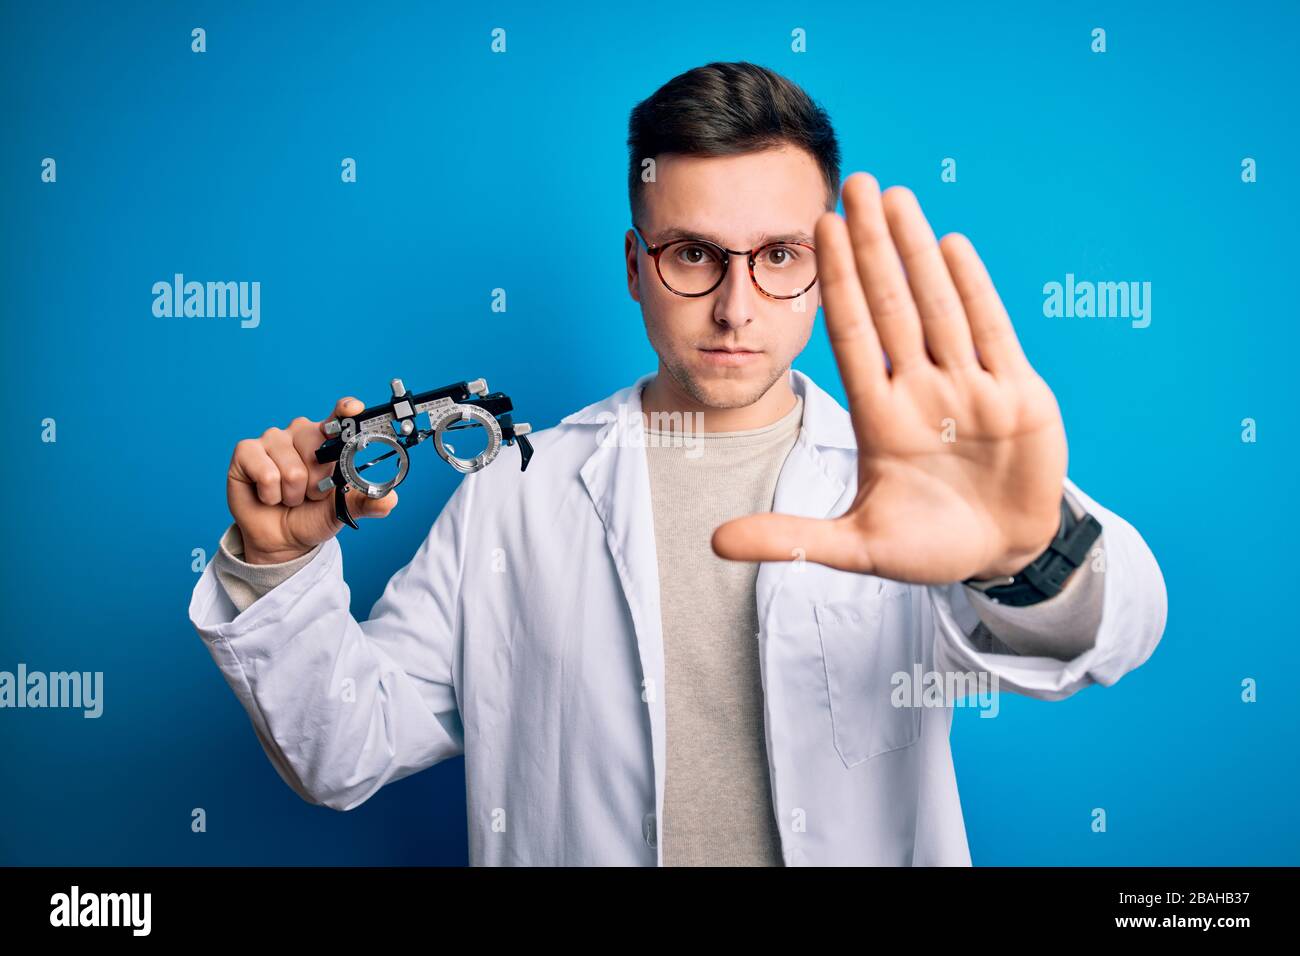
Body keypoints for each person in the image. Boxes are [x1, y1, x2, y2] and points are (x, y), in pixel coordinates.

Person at [188, 61, 1167, 866]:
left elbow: (1111, 636)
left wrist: (1029, 551)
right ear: (632, 264)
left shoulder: (912, 480)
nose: (737, 306)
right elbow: (344, 749)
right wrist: (272, 569)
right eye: (694, 255)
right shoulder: (512, 501)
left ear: (822, 270)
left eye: (778, 256)